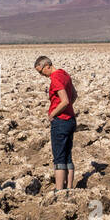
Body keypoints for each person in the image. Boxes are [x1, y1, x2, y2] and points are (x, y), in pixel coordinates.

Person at [34, 55, 76, 190]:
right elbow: (74, 95)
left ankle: (59, 191)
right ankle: (69, 188)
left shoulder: (56, 78)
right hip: (70, 119)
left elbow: (65, 100)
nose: (42, 75)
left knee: (59, 157)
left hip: (61, 122)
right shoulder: (65, 74)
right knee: (68, 156)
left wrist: (53, 114)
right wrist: (67, 108)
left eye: (41, 72)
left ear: (47, 66)